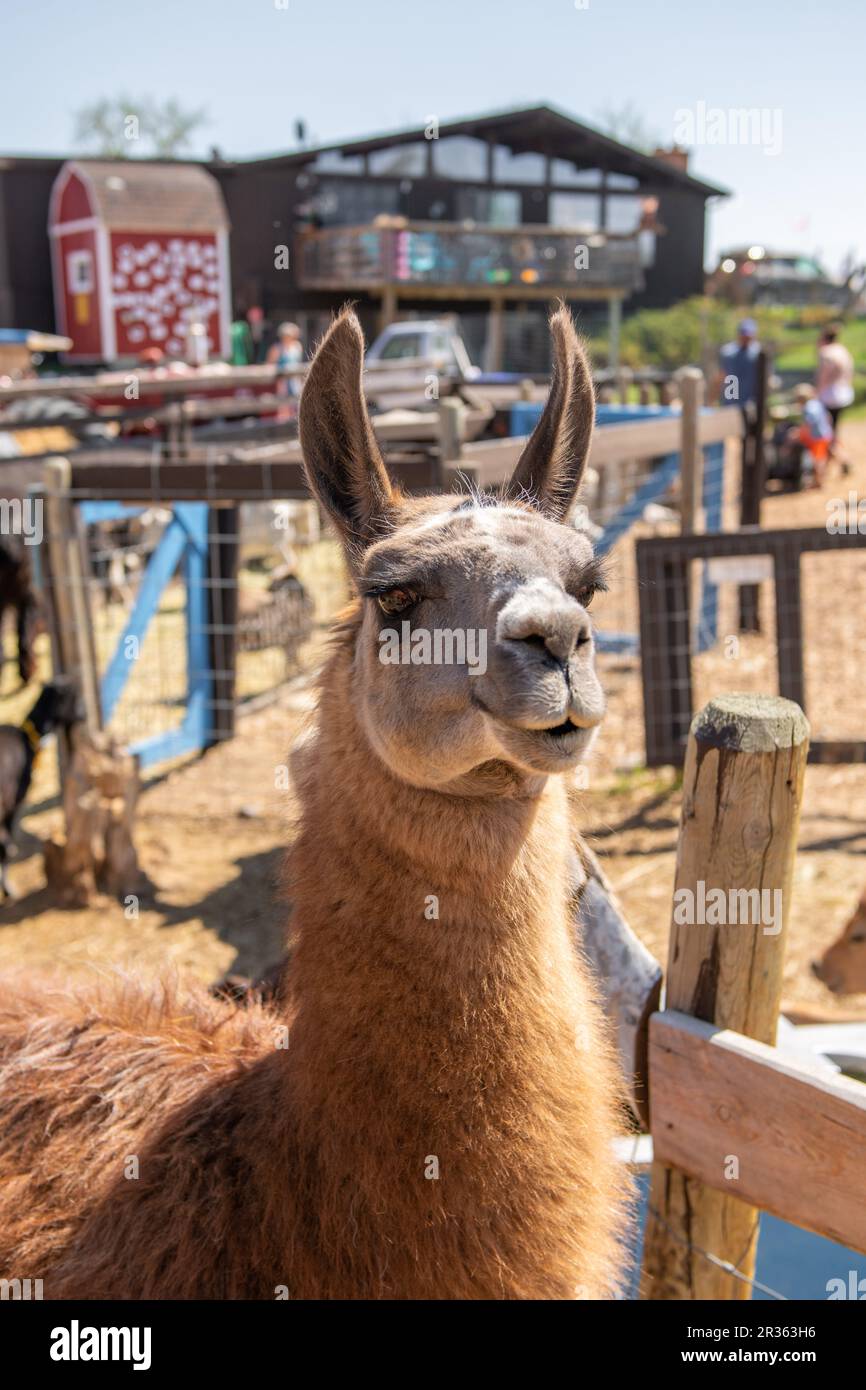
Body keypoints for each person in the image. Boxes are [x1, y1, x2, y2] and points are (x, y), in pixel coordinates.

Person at [816, 325, 854, 472]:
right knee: (832, 430)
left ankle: (841, 459)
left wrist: (817, 394)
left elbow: (823, 377)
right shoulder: (842, 350)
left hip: (830, 397)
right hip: (844, 395)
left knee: (826, 432)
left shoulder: (826, 353)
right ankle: (833, 463)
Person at [717, 318, 762, 428]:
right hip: (731, 399)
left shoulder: (757, 353)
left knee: (749, 431)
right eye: (744, 335)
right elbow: (722, 375)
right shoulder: (728, 352)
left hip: (751, 400)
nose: (746, 338)